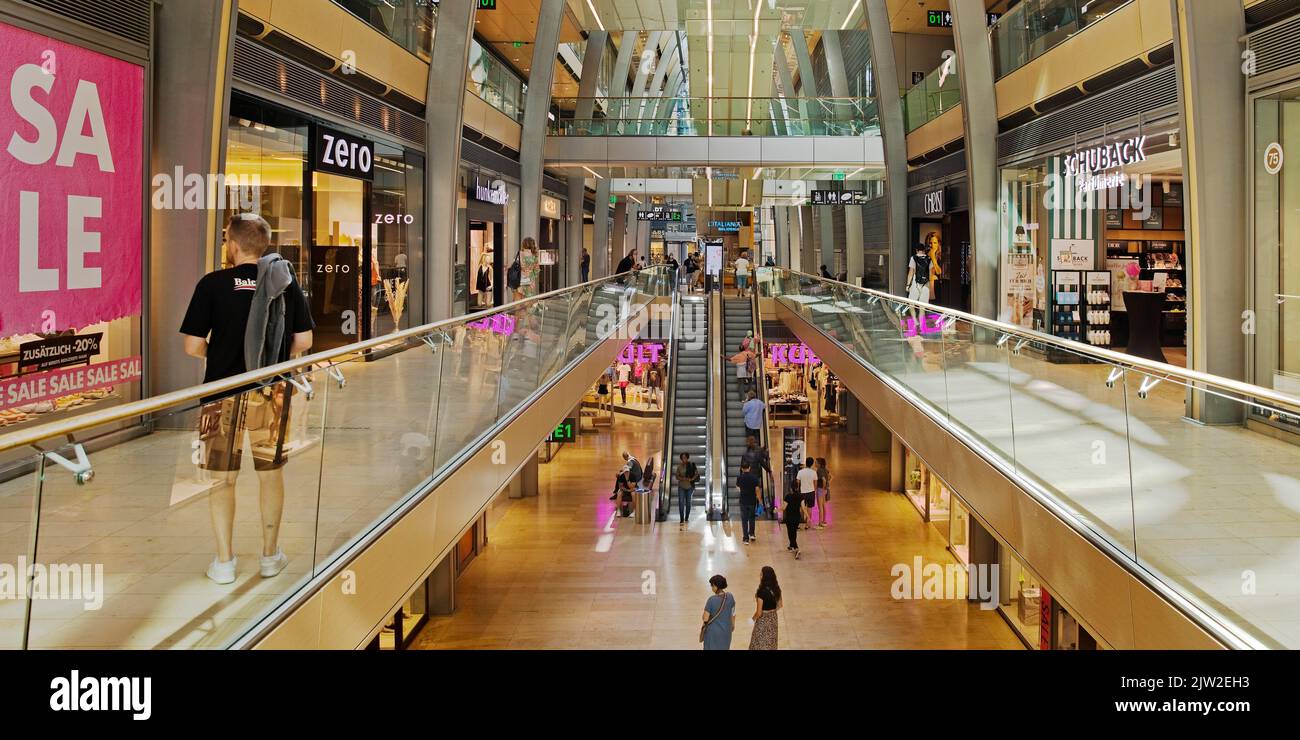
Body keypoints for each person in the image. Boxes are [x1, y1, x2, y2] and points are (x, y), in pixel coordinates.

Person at [181, 213, 315, 585]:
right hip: (270, 392)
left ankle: (224, 562)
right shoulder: (284, 283)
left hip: (219, 395)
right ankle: (270, 556)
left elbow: (192, 345)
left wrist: (223, 352)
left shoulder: (212, 284)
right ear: (264, 245)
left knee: (221, 479)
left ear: (233, 244)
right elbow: (303, 343)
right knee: (270, 475)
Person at [748, 566, 782, 650]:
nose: (760, 576)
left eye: (761, 574)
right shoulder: (776, 589)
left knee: (759, 642)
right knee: (771, 642)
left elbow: (759, 612)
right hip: (773, 619)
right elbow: (780, 604)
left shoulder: (761, 592)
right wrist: (772, 611)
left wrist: (752, 619)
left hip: (763, 621)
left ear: (764, 577)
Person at [701, 575, 736, 650]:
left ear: (716, 586)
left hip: (713, 633)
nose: (712, 588)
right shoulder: (730, 596)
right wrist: (732, 625)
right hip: (726, 631)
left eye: (712, 586)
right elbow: (733, 613)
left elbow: (705, 618)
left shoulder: (711, 600)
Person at [737, 462, 762, 544]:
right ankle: (752, 534)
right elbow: (757, 489)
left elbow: (738, 487)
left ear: (742, 469)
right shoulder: (754, 478)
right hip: (752, 500)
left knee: (744, 519)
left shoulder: (739, 478)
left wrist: (742, 490)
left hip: (743, 501)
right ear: (749, 468)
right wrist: (759, 500)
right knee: (752, 517)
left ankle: (745, 538)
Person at [675, 452, 699, 528]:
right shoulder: (679, 466)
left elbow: (696, 474)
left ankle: (686, 517)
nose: (684, 459)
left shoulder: (692, 465)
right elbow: (677, 476)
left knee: (688, 502)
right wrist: (683, 478)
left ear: (687, 458)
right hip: (681, 486)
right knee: (681, 502)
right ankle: (681, 518)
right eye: (682, 458)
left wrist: (692, 479)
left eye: (685, 457)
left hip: (689, 487)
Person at [783, 477, 804, 559]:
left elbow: (784, 508)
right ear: (798, 487)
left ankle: (796, 548)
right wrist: (808, 517)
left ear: (791, 487)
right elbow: (803, 508)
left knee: (790, 533)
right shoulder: (801, 496)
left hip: (789, 518)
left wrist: (776, 510)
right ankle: (791, 546)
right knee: (794, 532)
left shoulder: (788, 496)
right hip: (797, 518)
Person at [796, 456, 818, 533]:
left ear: (806, 462)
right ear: (812, 464)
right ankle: (807, 524)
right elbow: (815, 484)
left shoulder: (800, 472)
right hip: (811, 492)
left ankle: (798, 524)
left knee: (801, 508)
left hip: (802, 492)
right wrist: (814, 491)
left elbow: (797, 482)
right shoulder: (814, 472)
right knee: (810, 509)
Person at [815, 457, 831, 528]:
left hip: (820, 489)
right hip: (824, 490)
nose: (815, 463)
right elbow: (831, 476)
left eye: (816, 462)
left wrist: (824, 487)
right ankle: (824, 521)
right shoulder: (825, 470)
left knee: (820, 506)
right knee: (824, 505)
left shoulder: (819, 470)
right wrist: (827, 485)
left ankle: (820, 522)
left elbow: (824, 480)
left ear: (819, 464)